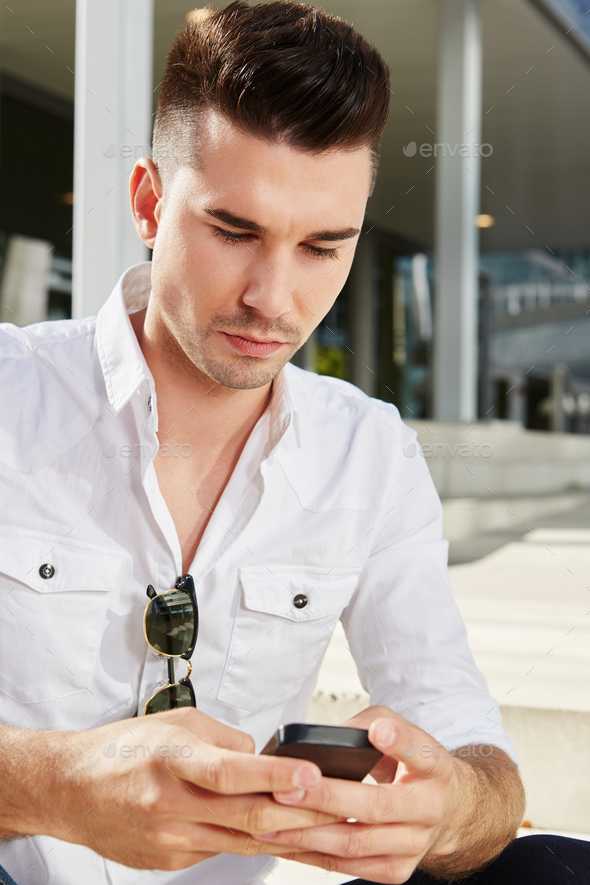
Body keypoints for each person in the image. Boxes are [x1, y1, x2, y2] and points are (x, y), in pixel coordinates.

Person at [0, 2, 587, 884]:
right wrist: (54, 785)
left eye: (324, 246)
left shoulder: (369, 452)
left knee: (548, 869)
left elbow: (481, 761)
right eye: (235, 232)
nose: (273, 298)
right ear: (150, 202)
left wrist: (447, 805)